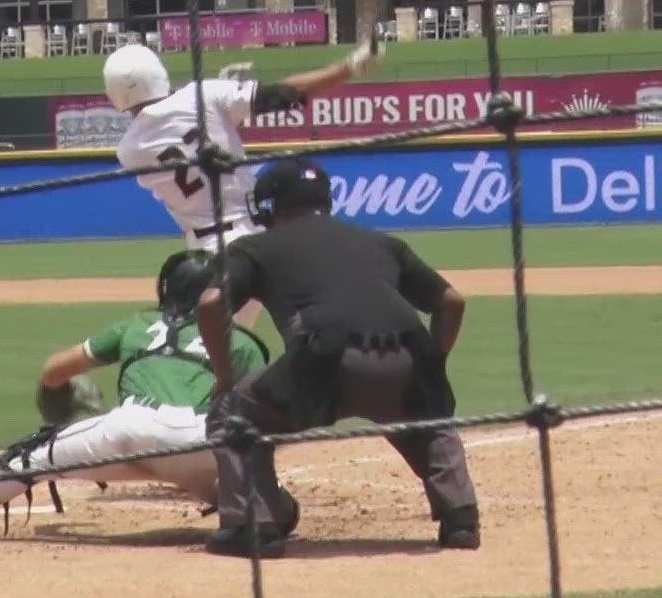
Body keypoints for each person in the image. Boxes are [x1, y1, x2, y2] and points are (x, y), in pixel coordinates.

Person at [195, 157, 480, 558]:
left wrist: (225, 376)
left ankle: (253, 528)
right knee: (428, 415)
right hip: (405, 356)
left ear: (271, 204)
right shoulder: (382, 241)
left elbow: (210, 304)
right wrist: (431, 366)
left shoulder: (253, 247)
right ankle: (460, 518)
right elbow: (452, 301)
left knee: (234, 412)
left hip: (322, 363)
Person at [0, 250, 269, 537]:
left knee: (31, 459)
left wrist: (58, 401)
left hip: (127, 433)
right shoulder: (242, 341)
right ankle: (245, 504)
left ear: (166, 287)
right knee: (259, 487)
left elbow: (53, 370)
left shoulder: (136, 326)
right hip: (199, 445)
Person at [104, 36, 382, 253]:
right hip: (252, 235)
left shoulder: (128, 151)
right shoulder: (201, 95)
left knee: (213, 327)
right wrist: (349, 67)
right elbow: (284, 95)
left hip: (204, 249)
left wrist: (222, 108)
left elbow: (185, 141)